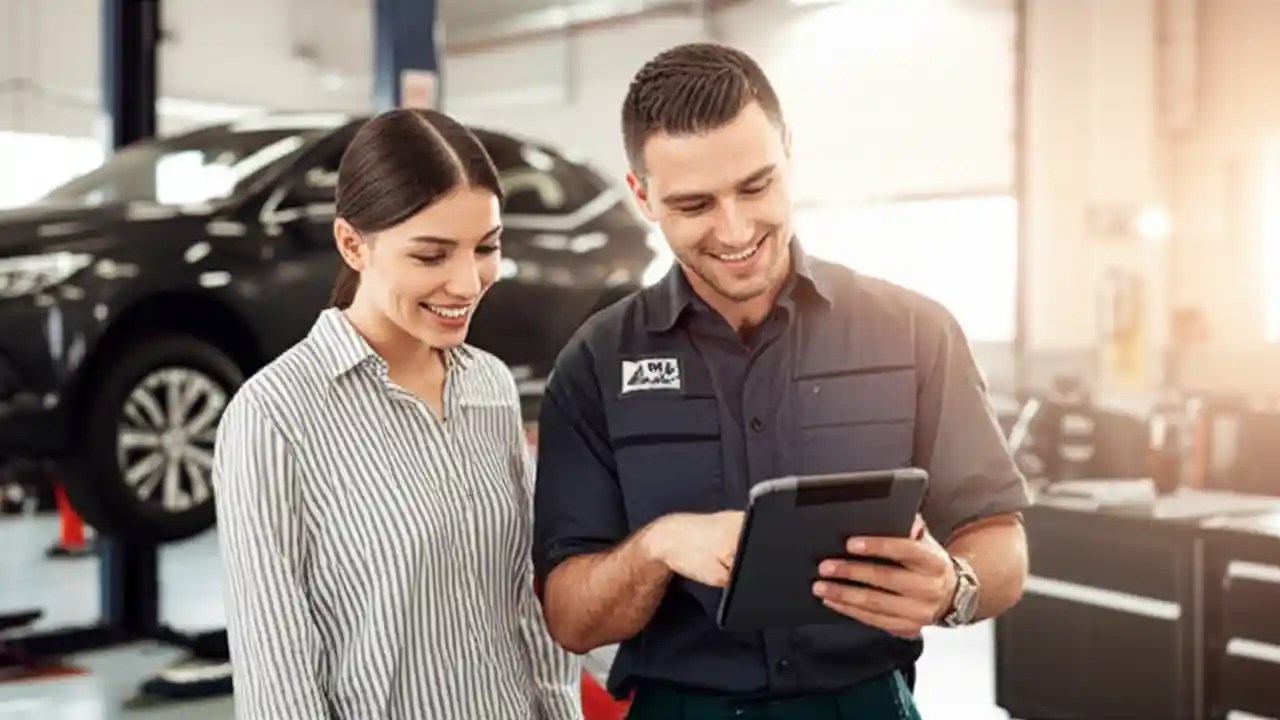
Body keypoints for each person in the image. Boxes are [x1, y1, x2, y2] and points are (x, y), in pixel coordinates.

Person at [532, 42, 1031, 719]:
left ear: (788, 153)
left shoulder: (914, 332)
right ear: (642, 195)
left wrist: (956, 587)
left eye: (755, 186)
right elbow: (570, 619)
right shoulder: (595, 363)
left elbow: (998, 535)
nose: (735, 229)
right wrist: (658, 546)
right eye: (695, 204)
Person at [212, 108, 581, 720]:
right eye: (432, 256)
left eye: (486, 247)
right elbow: (276, 676)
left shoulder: (488, 385)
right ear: (352, 244)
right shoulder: (275, 417)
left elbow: (523, 604)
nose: (467, 282)